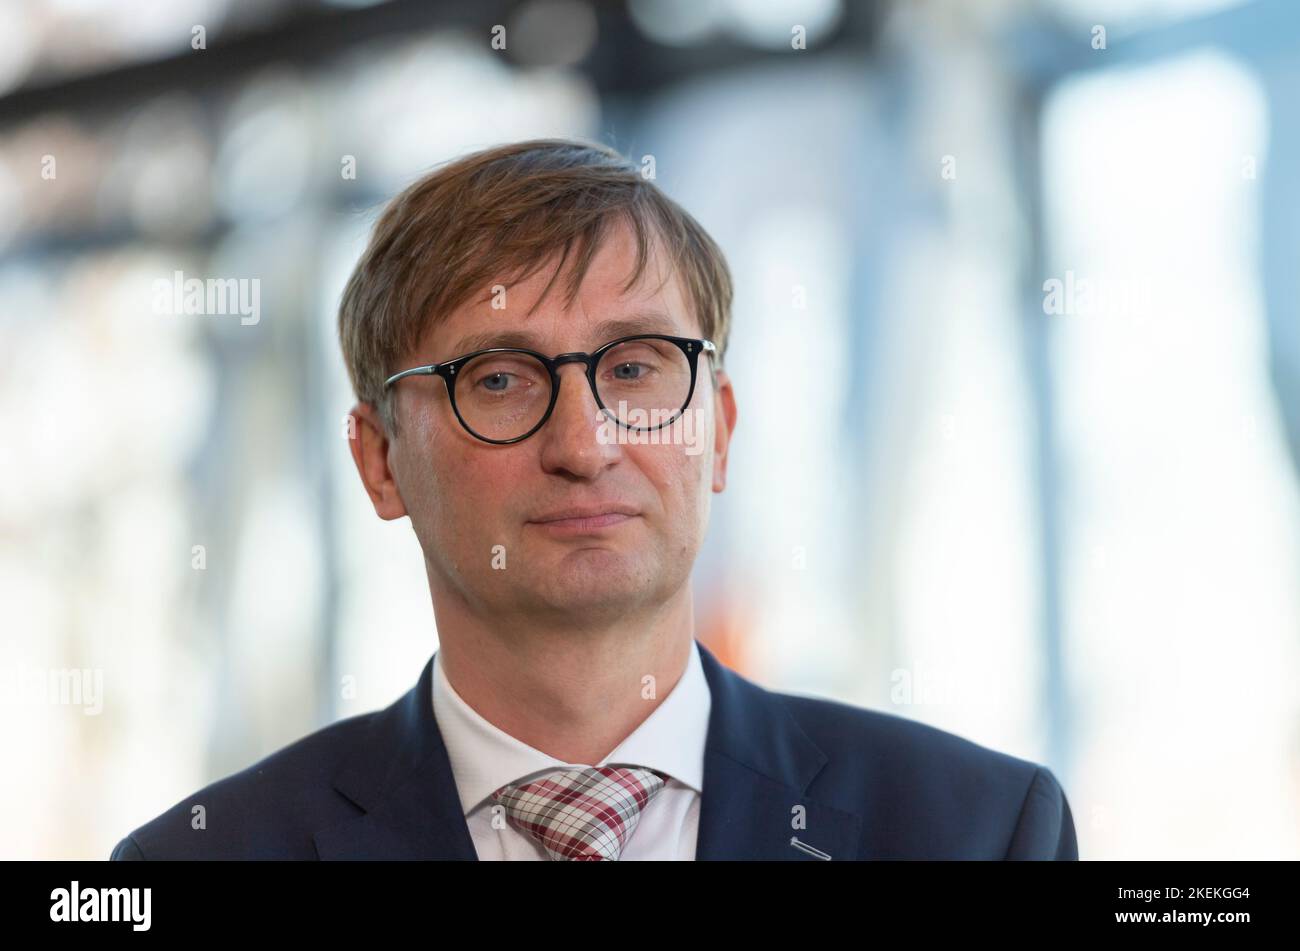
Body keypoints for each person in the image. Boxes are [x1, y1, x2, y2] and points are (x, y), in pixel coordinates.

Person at [111, 138, 1078, 861]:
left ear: (718, 432)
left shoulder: (977, 832)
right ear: (380, 463)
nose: (585, 443)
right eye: (498, 380)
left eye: (637, 368)